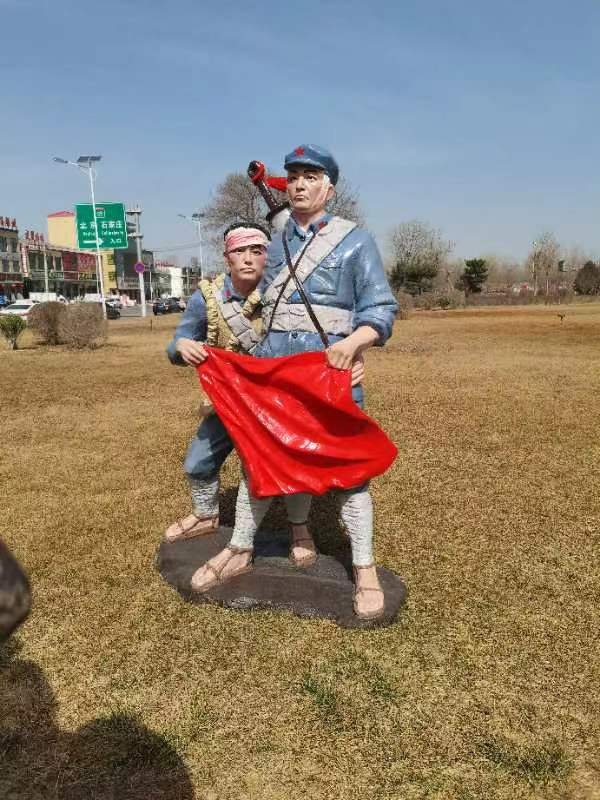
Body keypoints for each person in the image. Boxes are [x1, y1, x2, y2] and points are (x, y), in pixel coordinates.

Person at [191, 144, 398, 620]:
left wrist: (356, 345)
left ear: (330, 187)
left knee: (350, 472)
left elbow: (381, 309)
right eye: (295, 176)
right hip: (276, 368)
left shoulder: (355, 241)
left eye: (311, 176)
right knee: (262, 460)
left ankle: (364, 566)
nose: (300, 184)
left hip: (327, 371)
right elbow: (250, 292)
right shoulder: (277, 240)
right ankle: (241, 546)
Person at [164, 222, 322, 567]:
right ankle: (206, 514)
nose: (248, 259)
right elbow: (176, 343)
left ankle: (299, 527)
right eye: (239, 251)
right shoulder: (207, 297)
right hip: (227, 402)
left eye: (257, 250)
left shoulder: (286, 292)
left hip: (276, 403)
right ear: (227, 258)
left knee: (292, 466)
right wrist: (183, 346)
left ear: (269, 255)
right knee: (198, 461)